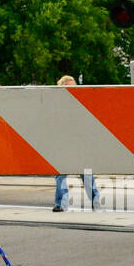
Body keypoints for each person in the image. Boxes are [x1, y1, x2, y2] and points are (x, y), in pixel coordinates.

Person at [52, 75, 101, 212]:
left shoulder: (82, 103)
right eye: (69, 87)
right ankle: (61, 204)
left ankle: (95, 201)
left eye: (74, 87)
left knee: (86, 174)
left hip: (79, 144)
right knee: (60, 174)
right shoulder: (57, 106)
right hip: (63, 144)